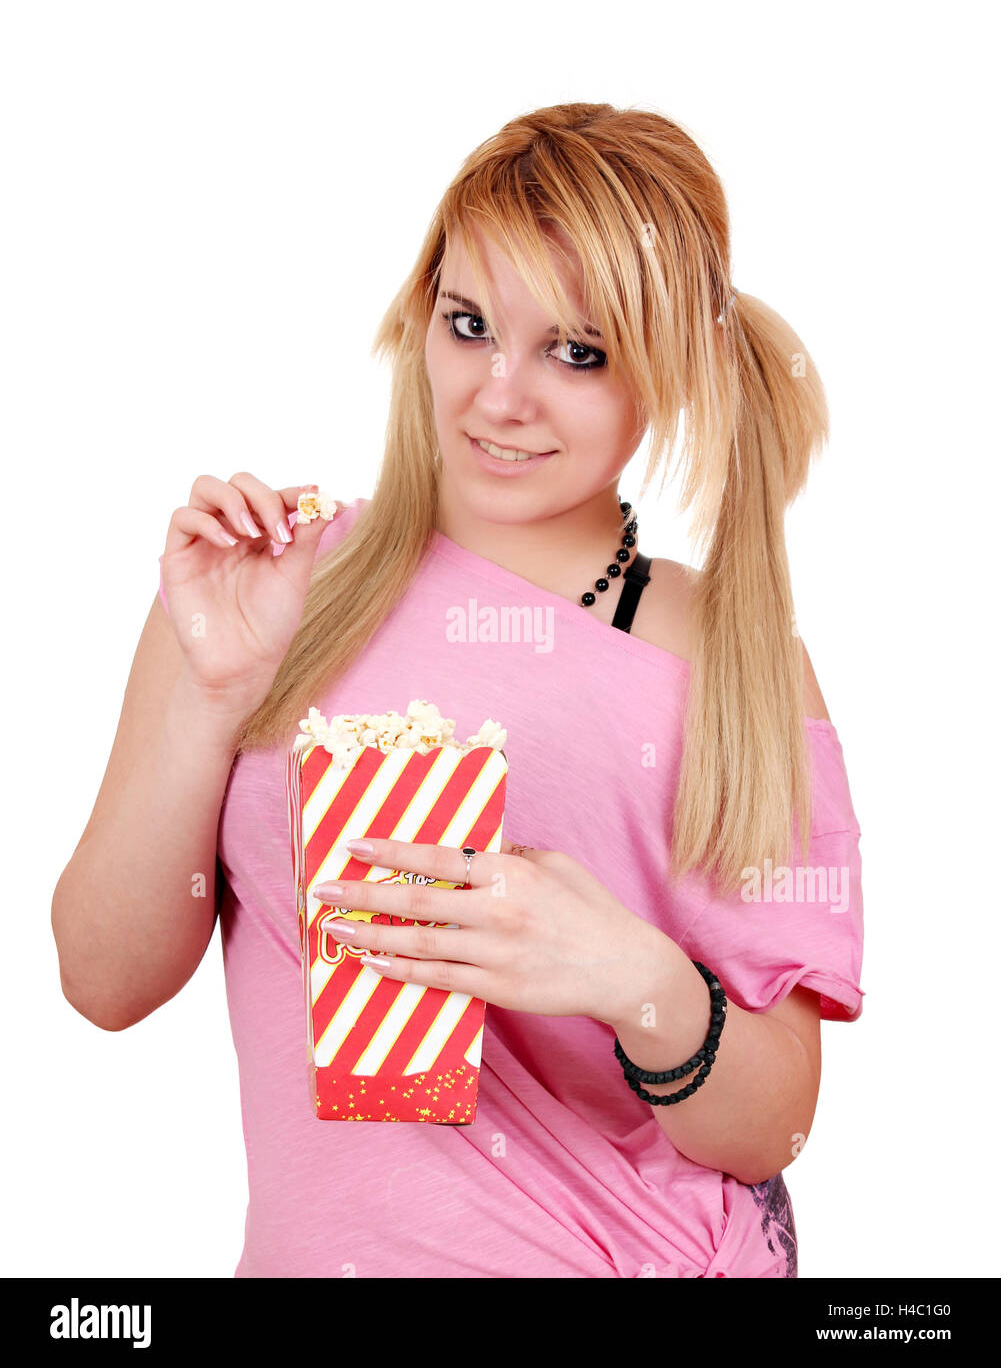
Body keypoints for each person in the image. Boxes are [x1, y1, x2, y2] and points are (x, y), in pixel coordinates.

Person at [51, 101, 864, 1278]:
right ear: (417, 313)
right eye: (469, 323)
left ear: (668, 369)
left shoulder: (729, 655)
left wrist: (628, 974)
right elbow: (102, 982)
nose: (497, 395)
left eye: (575, 352)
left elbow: (775, 1119)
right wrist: (209, 696)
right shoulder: (268, 581)